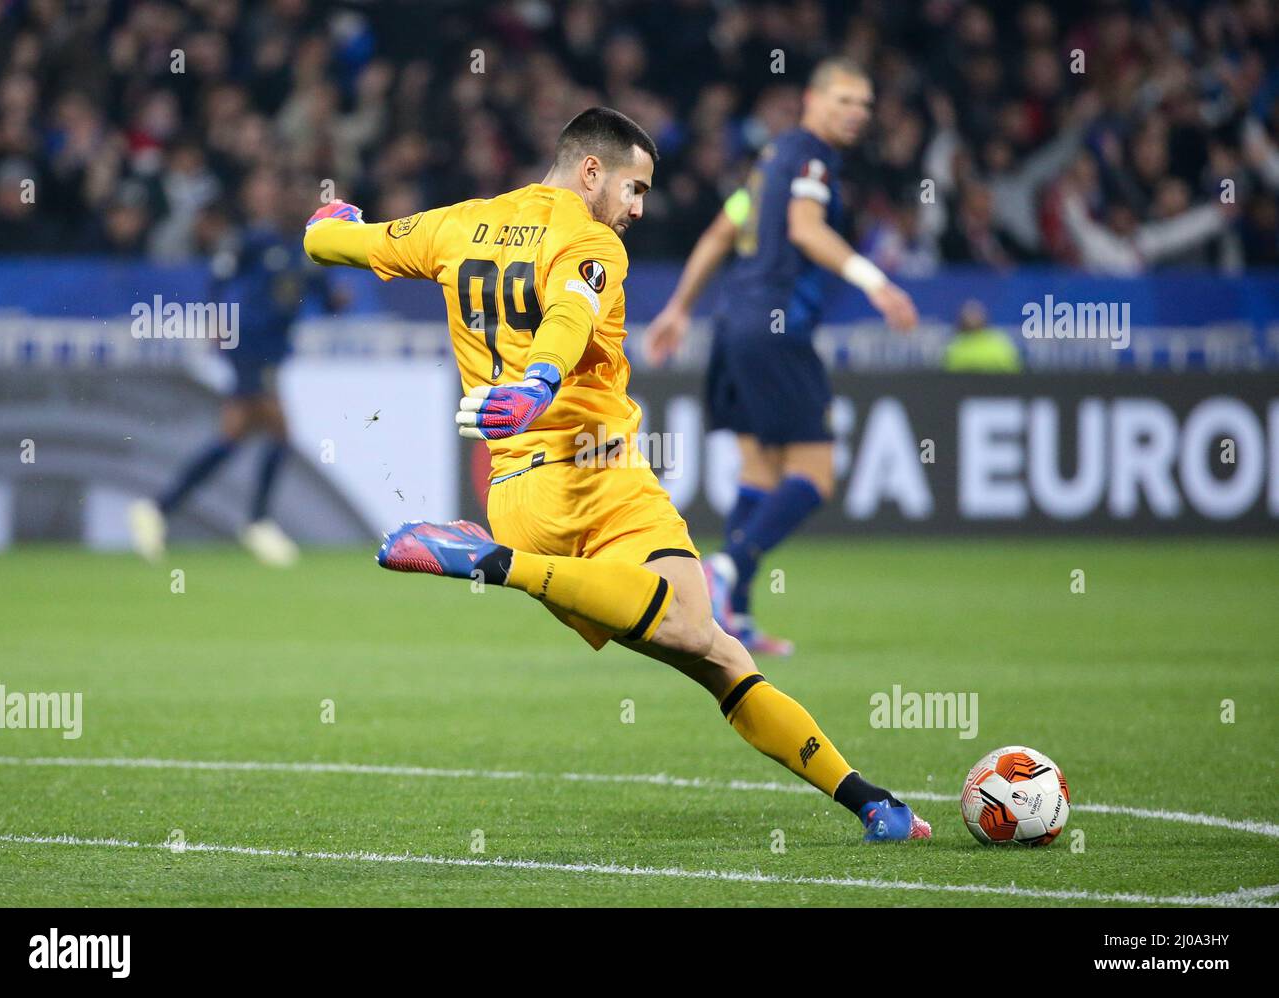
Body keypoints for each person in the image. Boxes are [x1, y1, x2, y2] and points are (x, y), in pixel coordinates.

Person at [302, 106, 930, 843]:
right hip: (592, 474)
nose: (636, 209)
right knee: (694, 627)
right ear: (590, 170)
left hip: (520, 490)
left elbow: (339, 241)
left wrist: (327, 223)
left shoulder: (457, 224)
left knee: (716, 650)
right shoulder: (589, 239)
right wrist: (538, 383)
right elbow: (571, 311)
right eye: (633, 188)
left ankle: (870, 803)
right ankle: (495, 565)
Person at [644, 58, 918, 656]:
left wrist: (678, 307)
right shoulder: (813, 159)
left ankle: (731, 613)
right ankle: (726, 568)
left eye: (865, 104)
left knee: (760, 474)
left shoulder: (770, 164)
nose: (857, 114)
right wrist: (876, 282)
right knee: (815, 477)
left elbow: (722, 231)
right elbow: (805, 228)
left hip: (733, 325)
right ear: (813, 101)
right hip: (777, 328)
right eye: (845, 100)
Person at [130, 169, 342, 566]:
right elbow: (219, 276)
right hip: (248, 346)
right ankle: (258, 522)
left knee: (234, 436)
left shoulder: (311, 253)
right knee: (279, 430)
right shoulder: (257, 241)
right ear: (281, 204)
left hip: (273, 352)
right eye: (293, 199)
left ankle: (157, 509)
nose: (300, 207)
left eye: (307, 201)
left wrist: (338, 301)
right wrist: (216, 319)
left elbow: (325, 300)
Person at [943, 300, 1022, 372]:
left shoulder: (999, 343)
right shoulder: (955, 346)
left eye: (975, 314)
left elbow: (1014, 371)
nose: (972, 319)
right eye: (969, 315)